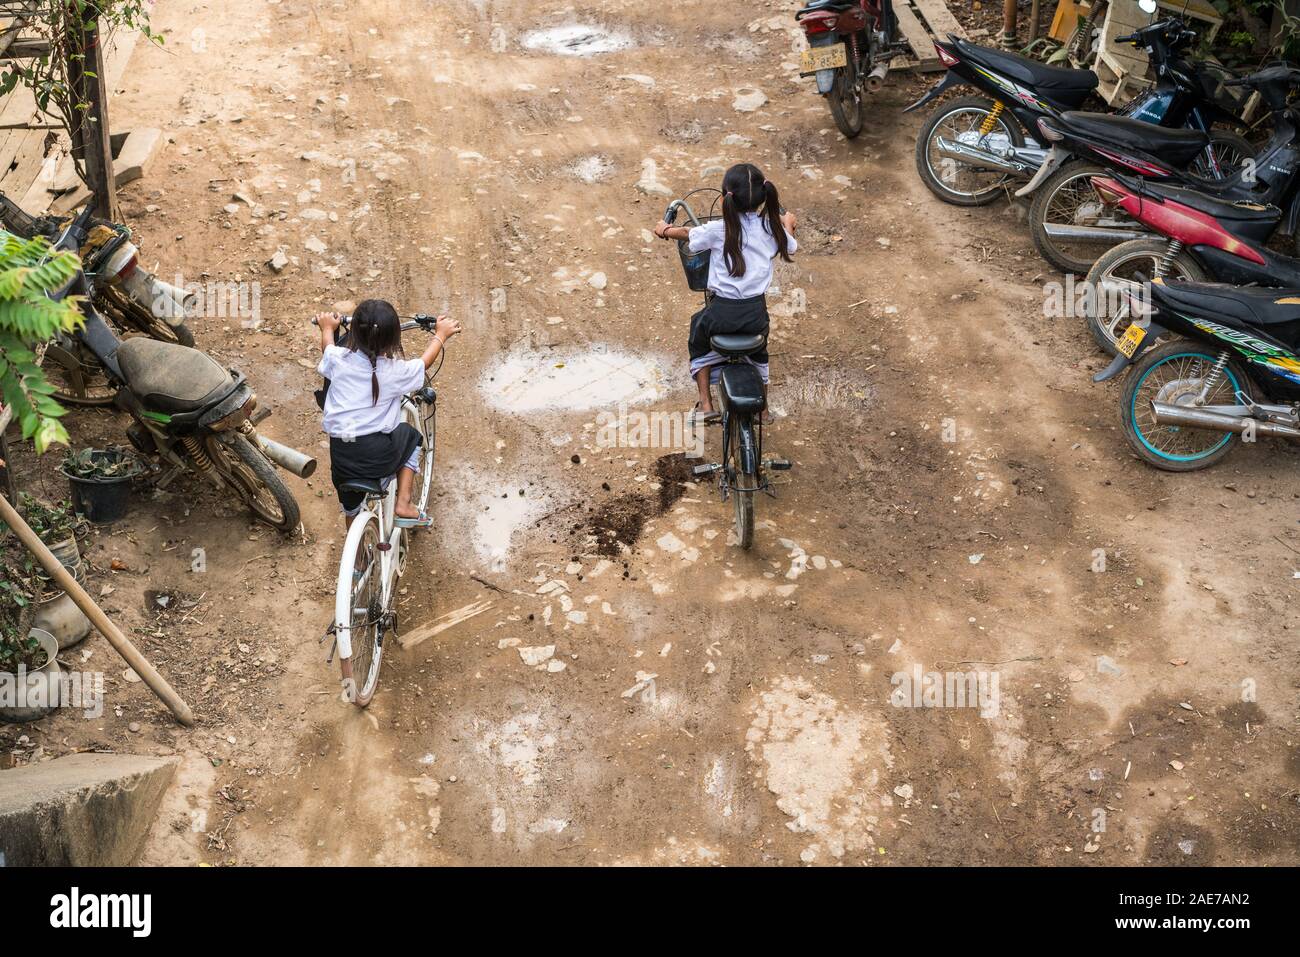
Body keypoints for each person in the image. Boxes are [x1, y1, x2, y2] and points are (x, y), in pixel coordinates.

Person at [653, 162, 797, 419]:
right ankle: (763, 410)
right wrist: (788, 224)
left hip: (721, 313)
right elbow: (790, 244)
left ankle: (706, 404)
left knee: (698, 336)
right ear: (764, 197)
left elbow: (687, 233)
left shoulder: (719, 230)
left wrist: (664, 230)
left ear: (724, 199)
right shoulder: (770, 228)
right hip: (755, 313)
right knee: (760, 350)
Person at [314, 300, 460, 527]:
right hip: (377, 456)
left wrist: (326, 328)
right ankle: (403, 503)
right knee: (412, 437)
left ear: (353, 334)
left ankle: (358, 560)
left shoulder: (337, 359)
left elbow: (327, 346)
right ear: (394, 339)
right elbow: (424, 364)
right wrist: (440, 335)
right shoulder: (395, 371)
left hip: (342, 457)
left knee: (351, 508)